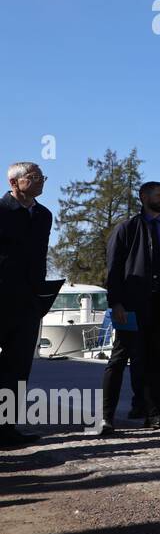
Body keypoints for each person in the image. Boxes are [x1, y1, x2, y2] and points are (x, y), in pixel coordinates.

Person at [102, 181, 160, 433]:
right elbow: (114, 268)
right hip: (130, 304)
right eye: (159, 195)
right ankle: (107, 416)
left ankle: (154, 414)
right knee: (119, 358)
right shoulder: (127, 228)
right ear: (144, 197)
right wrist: (116, 302)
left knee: (156, 359)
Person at [0, 162, 54, 448]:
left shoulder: (44, 215)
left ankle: (6, 429)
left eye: (41, 177)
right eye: (33, 178)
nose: (40, 181)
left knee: (18, 368)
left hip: (27, 303)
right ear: (14, 182)